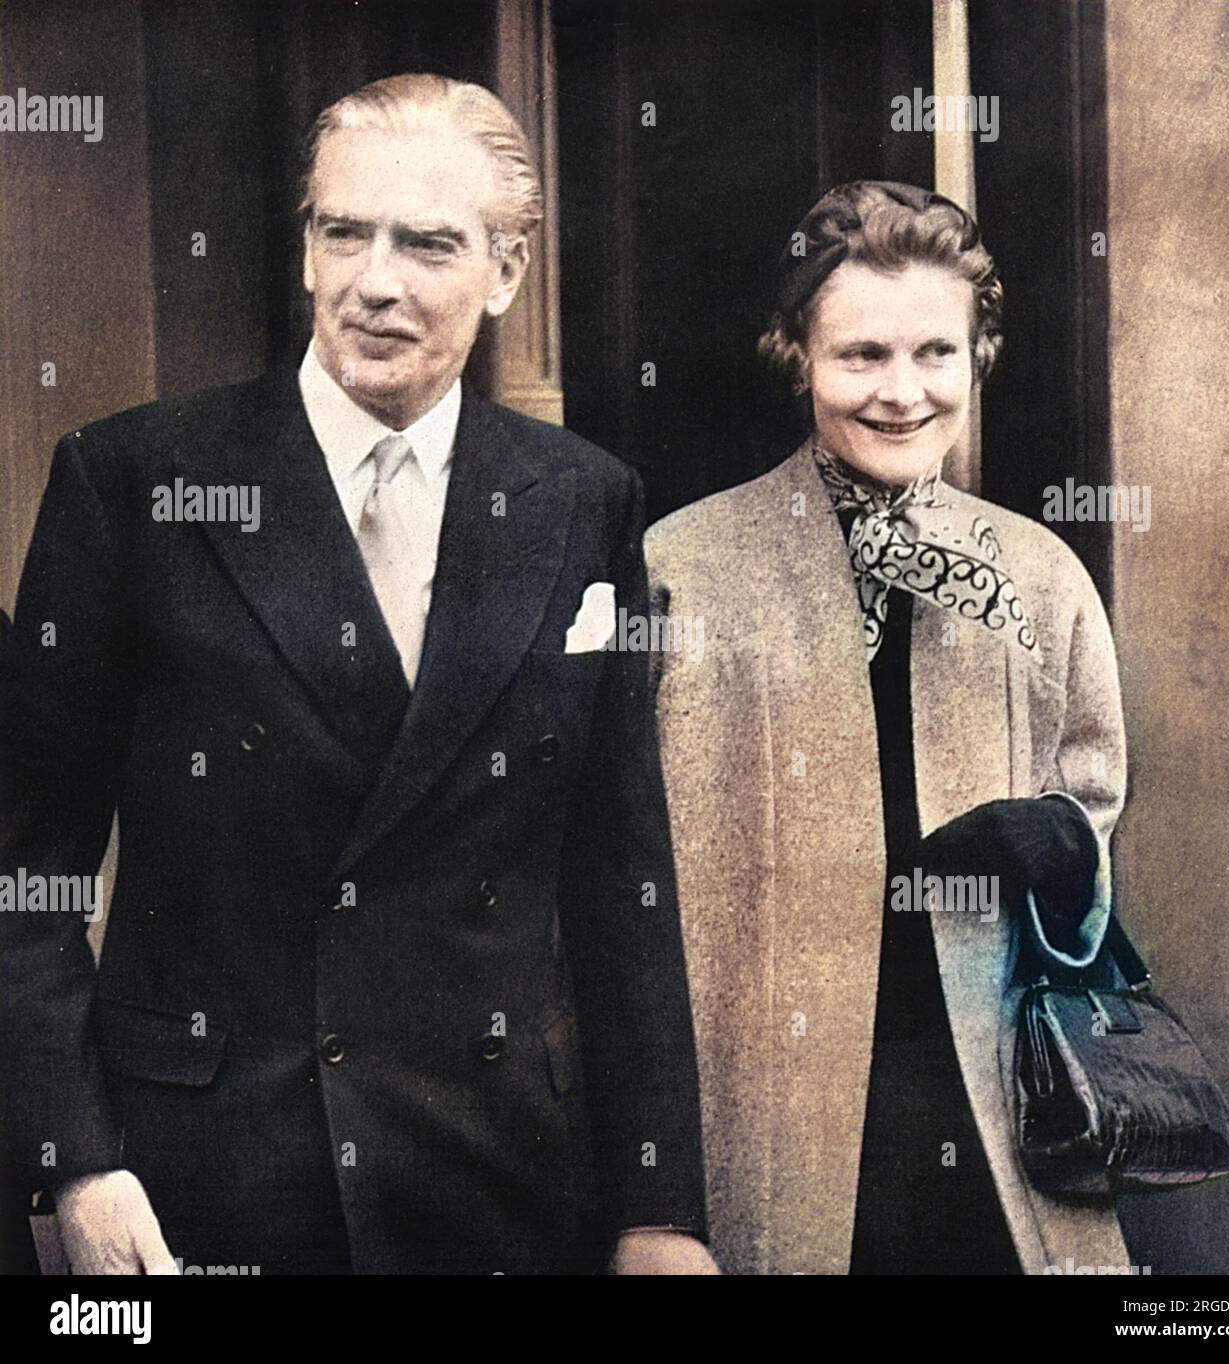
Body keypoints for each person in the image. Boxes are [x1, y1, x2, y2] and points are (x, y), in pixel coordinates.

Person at [0, 72, 715, 1276]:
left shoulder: (582, 498)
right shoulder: (135, 481)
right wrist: (73, 1160)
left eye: (428, 243)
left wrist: (659, 1208)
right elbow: (19, 872)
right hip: (198, 1187)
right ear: (305, 250)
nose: (375, 282)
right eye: (344, 232)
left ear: (504, 272)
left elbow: (621, 878)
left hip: (496, 1183)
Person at [645, 181, 1131, 1275]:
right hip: (769, 1106)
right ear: (793, 353)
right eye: (860, 354)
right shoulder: (683, 567)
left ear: (980, 356)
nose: (902, 392)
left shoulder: (1040, 576)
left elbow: (1094, 803)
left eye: (936, 353)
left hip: (995, 1101)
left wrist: (1064, 838)